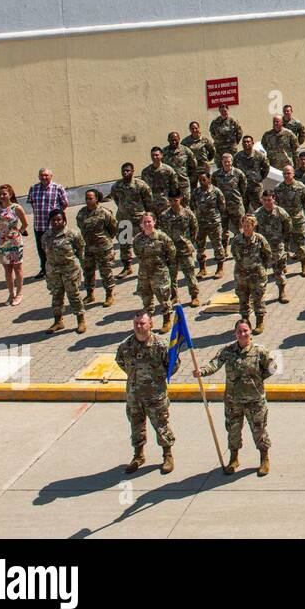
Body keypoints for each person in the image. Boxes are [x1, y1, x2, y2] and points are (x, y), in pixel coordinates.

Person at [196, 318, 277, 477]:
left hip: (255, 401)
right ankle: (234, 459)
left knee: (259, 431)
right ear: (235, 333)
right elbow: (214, 364)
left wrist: (259, 379)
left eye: (245, 330)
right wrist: (201, 372)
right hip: (233, 401)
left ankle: (264, 459)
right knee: (233, 431)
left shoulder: (260, 351)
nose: (242, 334)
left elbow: (272, 367)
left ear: (251, 332)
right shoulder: (227, 351)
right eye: (239, 331)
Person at [116, 309, 176, 475]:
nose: (139, 327)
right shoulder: (126, 346)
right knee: (136, 426)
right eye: (136, 324)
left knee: (161, 425)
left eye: (142, 323)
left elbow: (173, 365)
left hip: (155, 396)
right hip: (134, 395)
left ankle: (167, 455)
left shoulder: (160, 345)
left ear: (150, 324)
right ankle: (138, 455)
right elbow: (120, 361)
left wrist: (158, 379)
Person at [42, 209, 87, 334]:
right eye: (53, 220)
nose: (56, 222)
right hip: (53, 271)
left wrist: (81, 266)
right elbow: (44, 251)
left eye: (58, 220)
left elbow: (80, 249)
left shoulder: (72, 234)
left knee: (74, 295)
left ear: (64, 220)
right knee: (56, 296)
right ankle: (58, 321)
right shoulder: (46, 236)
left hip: (70, 270)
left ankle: (81, 320)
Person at [133, 213, 176, 332]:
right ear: (141, 224)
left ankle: (166, 321)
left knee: (163, 299)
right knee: (146, 299)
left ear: (154, 222)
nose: (147, 224)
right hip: (144, 274)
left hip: (159, 273)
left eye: (149, 221)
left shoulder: (162, 237)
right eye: (144, 222)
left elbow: (171, 251)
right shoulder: (137, 239)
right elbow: (137, 253)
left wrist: (164, 264)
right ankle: (148, 322)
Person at [231, 214, 274, 331]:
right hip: (241, 276)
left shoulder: (259, 239)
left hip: (257, 276)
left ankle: (259, 323)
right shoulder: (236, 240)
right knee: (243, 300)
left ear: (253, 226)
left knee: (258, 299)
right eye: (244, 225)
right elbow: (234, 254)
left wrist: (261, 267)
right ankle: (246, 323)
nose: (246, 228)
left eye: (248, 225)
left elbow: (268, 254)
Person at [76, 189, 117, 307]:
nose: (88, 201)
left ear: (97, 199)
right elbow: (80, 226)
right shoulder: (81, 213)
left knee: (105, 272)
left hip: (103, 248)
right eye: (86, 198)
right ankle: (90, 294)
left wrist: (105, 239)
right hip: (88, 248)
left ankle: (109, 295)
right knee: (88, 272)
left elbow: (113, 228)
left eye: (90, 198)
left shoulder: (104, 212)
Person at [27, 168, 68, 279]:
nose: (44, 177)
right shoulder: (33, 188)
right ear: (39, 176)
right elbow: (32, 203)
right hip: (39, 225)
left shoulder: (58, 188)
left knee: (56, 247)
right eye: (41, 175)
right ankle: (44, 270)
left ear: (51, 176)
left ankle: (59, 268)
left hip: (53, 226)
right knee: (42, 249)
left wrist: (58, 218)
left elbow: (64, 204)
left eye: (46, 175)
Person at [0, 184, 28, 306]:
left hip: (14, 242)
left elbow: (25, 224)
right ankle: (11, 294)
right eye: (0, 194)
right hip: (2, 242)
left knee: (17, 268)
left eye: (4, 194)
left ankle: (19, 293)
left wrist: (18, 233)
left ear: (10, 194)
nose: (2, 196)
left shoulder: (16, 208)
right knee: (7, 269)